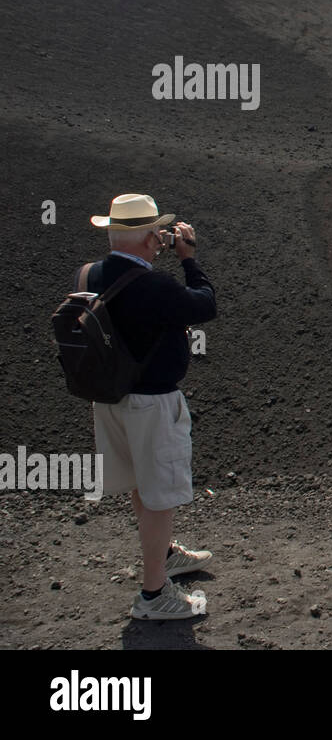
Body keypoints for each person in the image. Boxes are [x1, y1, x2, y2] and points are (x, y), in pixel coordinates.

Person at [81, 194, 217, 619]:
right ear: (149, 238)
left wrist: (156, 249)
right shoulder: (154, 285)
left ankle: (166, 557)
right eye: (157, 232)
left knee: (144, 484)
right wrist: (188, 258)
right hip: (153, 406)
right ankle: (154, 596)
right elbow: (205, 303)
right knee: (160, 498)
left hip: (110, 401)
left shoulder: (90, 273)